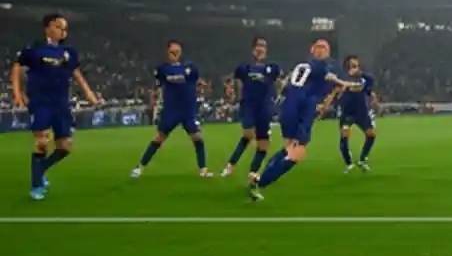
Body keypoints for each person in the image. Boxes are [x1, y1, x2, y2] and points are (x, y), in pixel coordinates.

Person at [248, 38, 361, 201]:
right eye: (319, 47)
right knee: (298, 153)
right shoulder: (322, 65)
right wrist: (349, 85)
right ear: (312, 50)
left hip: (290, 106)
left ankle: (258, 177)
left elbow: (287, 83)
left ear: (328, 52)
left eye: (325, 48)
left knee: (288, 148)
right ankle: (259, 182)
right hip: (301, 108)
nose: (322, 50)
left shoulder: (301, 66)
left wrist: (324, 104)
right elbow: (332, 80)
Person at [10, 13, 101, 200]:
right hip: (40, 102)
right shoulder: (35, 49)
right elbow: (17, 67)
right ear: (48, 27)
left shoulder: (68, 52)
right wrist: (18, 94)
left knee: (65, 147)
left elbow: (77, 73)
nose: (63, 31)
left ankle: (40, 169)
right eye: (59, 27)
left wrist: (89, 93)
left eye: (65, 28)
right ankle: (36, 186)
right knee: (42, 142)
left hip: (61, 103)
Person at [132, 40, 210, 178]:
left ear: (180, 51)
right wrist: (153, 99)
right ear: (168, 52)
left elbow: (198, 81)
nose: (175, 52)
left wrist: (202, 86)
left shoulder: (190, 68)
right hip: (171, 110)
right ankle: (140, 167)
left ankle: (203, 169)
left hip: (187, 111)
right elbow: (158, 85)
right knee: (159, 138)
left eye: (177, 50)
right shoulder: (163, 69)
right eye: (172, 50)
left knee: (198, 138)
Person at [221, 37, 282, 177]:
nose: (261, 49)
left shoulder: (272, 68)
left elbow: (279, 82)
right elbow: (236, 81)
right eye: (258, 46)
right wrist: (235, 96)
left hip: (264, 107)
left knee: (264, 144)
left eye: (263, 46)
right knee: (248, 134)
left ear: (266, 50)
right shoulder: (244, 67)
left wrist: (276, 97)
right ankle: (231, 165)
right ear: (253, 50)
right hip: (248, 105)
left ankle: (253, 172)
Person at [332, 55, 378, 172]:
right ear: (347, 66)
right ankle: (348, 163)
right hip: (347, 112)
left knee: (371, 134)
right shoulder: (342, 78)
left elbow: (371, 82)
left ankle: (362, 159)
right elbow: (335, 91)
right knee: (345, 134)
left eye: (357, 65)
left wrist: (361, 74)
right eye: (353, 65)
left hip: (361, 112)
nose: (355, 67)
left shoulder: (363, 78)